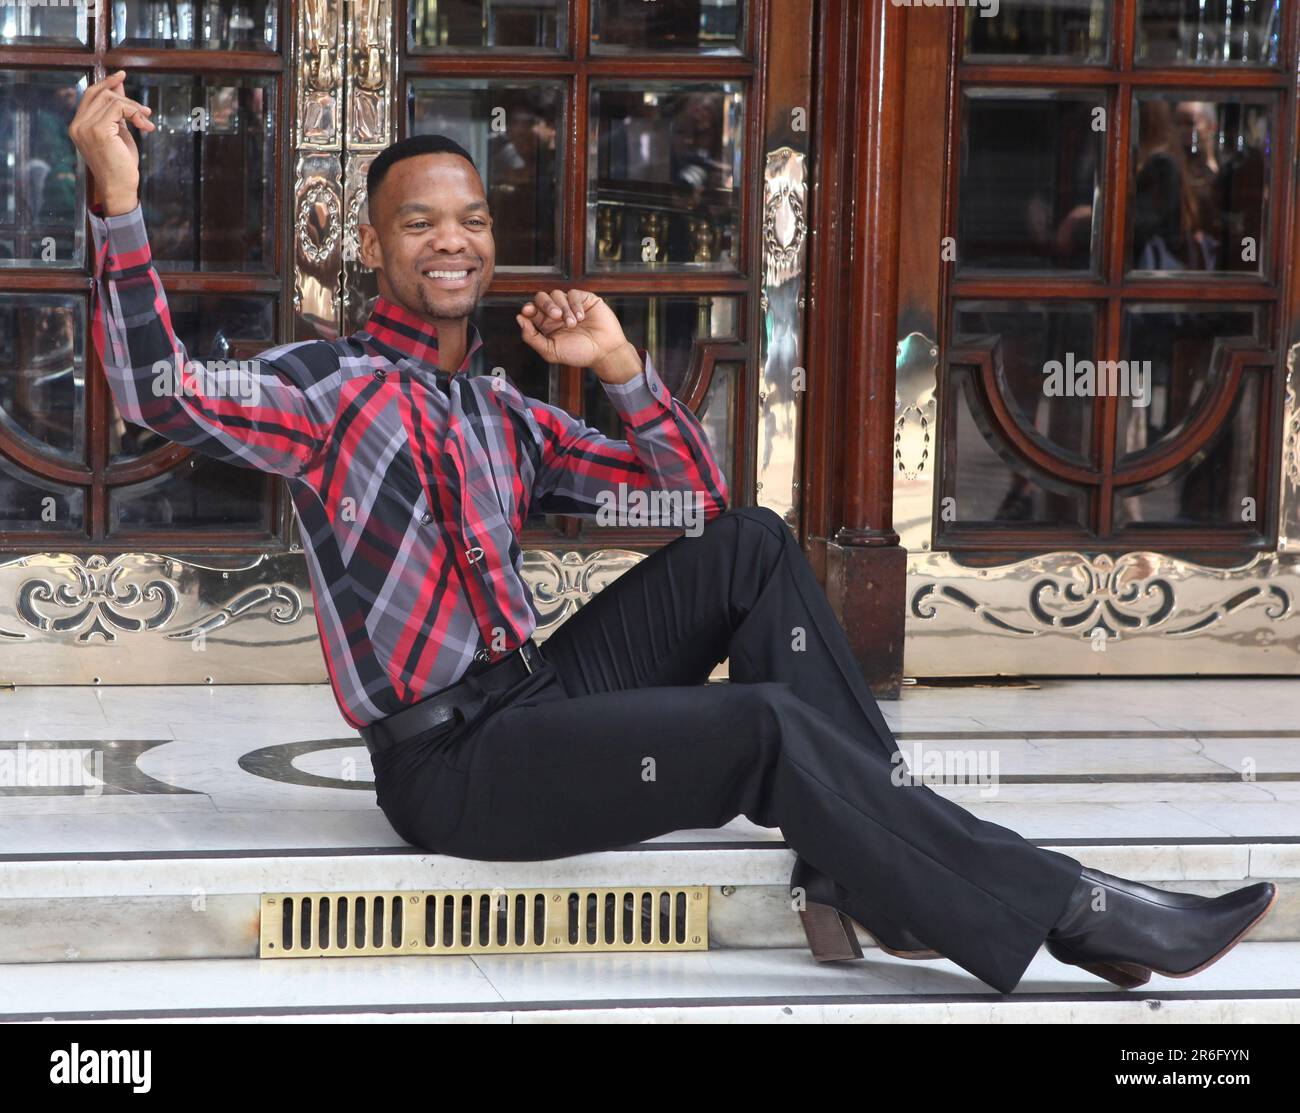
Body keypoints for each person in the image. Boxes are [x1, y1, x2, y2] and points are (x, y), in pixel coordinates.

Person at [69, 69, 1277, 995]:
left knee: (751, 542)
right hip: (455, 770)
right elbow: (155, 391)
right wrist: (119, 205)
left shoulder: (502, 411)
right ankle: (1071, 910)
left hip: (537, 693)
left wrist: (619, 363)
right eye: (420, 223)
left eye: (472, 219)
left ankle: (861, 870)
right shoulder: (327, 389)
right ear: (372, 247)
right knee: (762, 724)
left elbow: (691, 504)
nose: (453, 241)